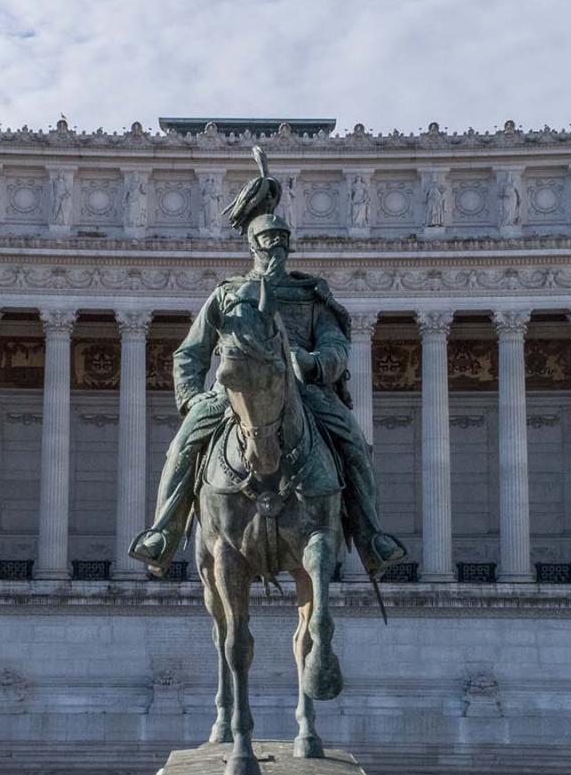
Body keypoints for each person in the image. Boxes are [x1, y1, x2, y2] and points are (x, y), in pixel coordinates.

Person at [129, 166, 408, 578]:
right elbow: (191, 353)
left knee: (353, 443)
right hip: (234, 395)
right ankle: (163, 533)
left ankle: (372, 538)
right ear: (252, 246)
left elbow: (335, 346)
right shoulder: (226, 295)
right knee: (182, 445)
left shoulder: (310, 295)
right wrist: (191, 398)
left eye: (281, 241)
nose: (275, 248)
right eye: (267, 241)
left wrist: (313, 362)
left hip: (304, 393)